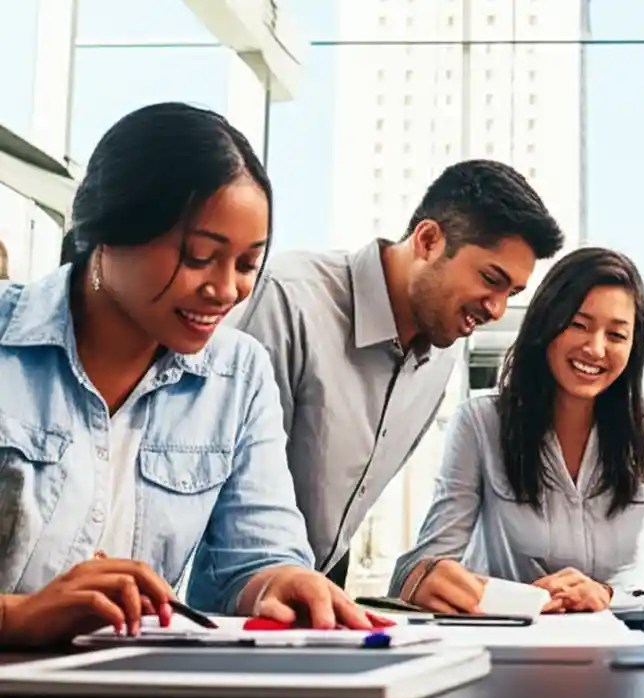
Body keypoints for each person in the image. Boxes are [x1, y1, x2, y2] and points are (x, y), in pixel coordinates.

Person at [0, 103, 376, 648]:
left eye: (248, 264)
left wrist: (280, 580)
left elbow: (253, 558)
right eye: (201, 256)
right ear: (112, 228)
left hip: (122, 691)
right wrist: (19, 617)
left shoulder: (238, 376)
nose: (226, 290)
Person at [231, 159, 564, 588]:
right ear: (428, 240)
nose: (496, 308)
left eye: (511, 293)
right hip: (240, 592)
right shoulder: (291, 298)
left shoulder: (441, 356)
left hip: (323, 584)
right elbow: (236, 481)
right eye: (490, 278)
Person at [390, 247, 644, 613]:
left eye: (617, 335)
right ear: (547, 324)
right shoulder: (480, 423)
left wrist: (609, 597)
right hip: (510, 638)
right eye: (578, 325)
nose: (596, 348)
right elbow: (421, 567)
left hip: (619, 637)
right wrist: (431, 579)